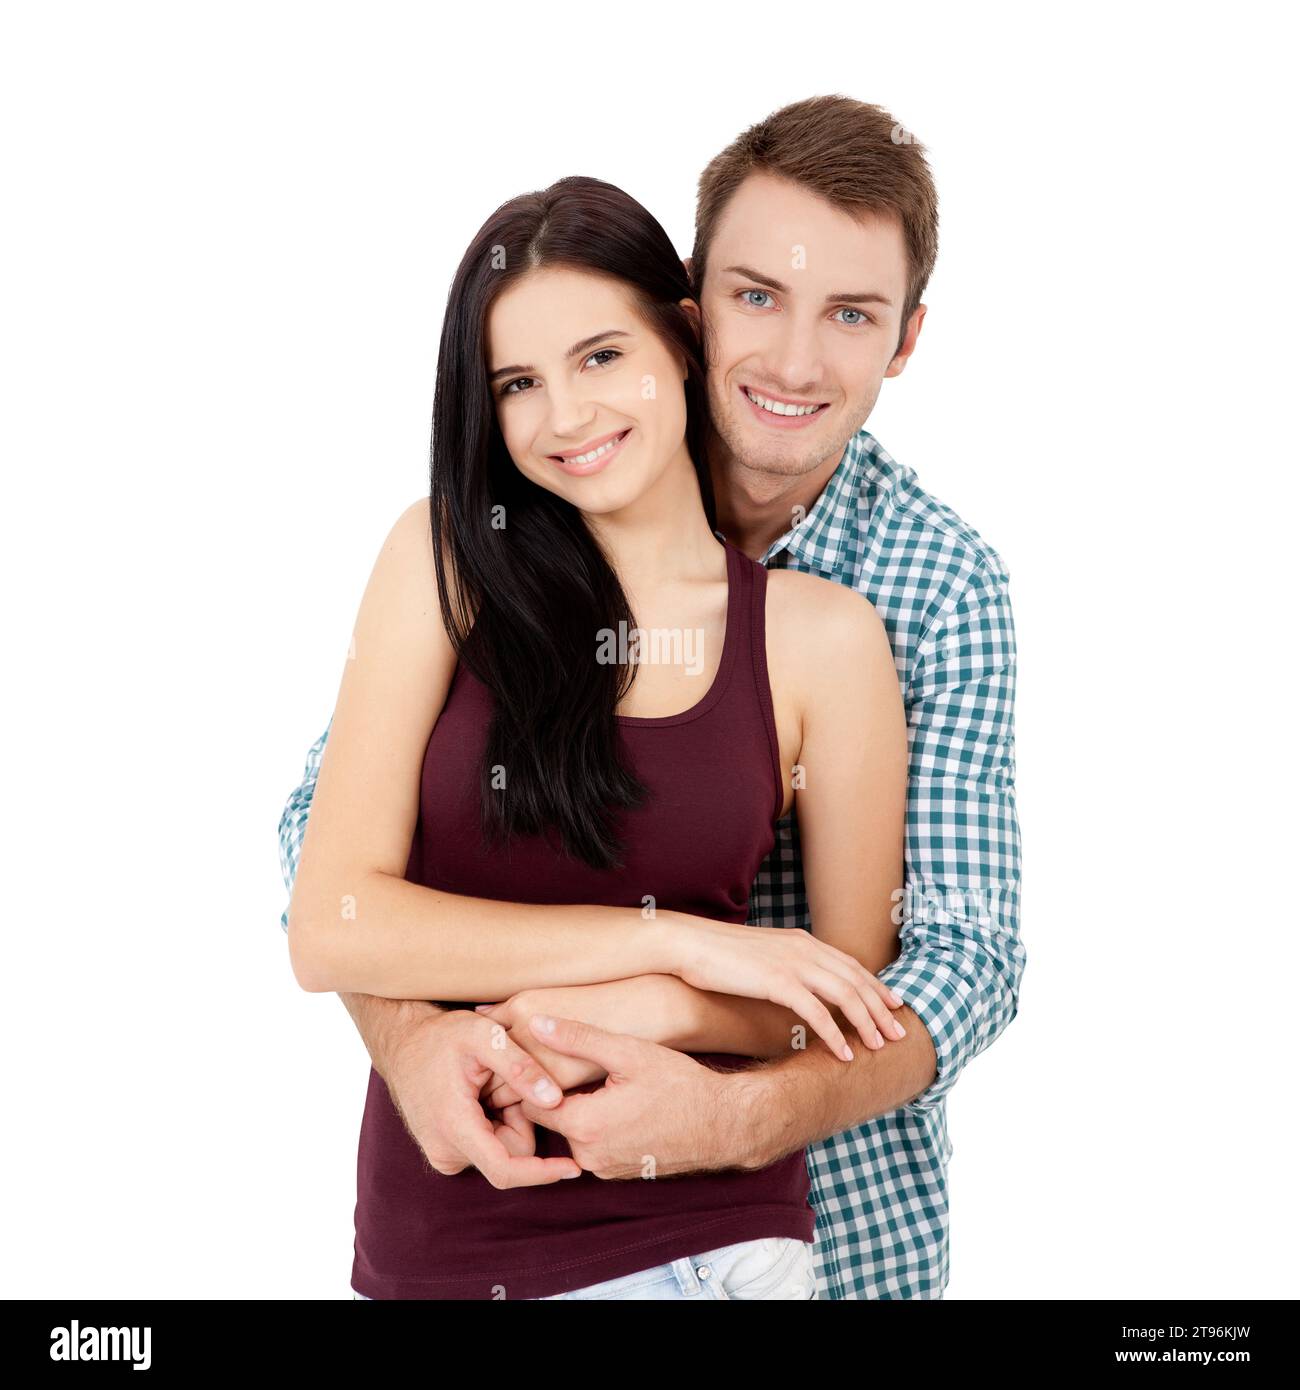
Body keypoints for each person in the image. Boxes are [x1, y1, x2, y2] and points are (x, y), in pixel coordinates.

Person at [280, 94, 1026, 1300]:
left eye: (849, 313)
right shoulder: (466, 558)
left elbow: (925, 969)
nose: (791, 359)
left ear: (905, 338)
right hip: (468, 1211)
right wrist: (412, 1031)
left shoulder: (905, 597)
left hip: (811, 1215)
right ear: (694, 311)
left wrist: (701, 1061)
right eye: (756, 297)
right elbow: (329, 877)